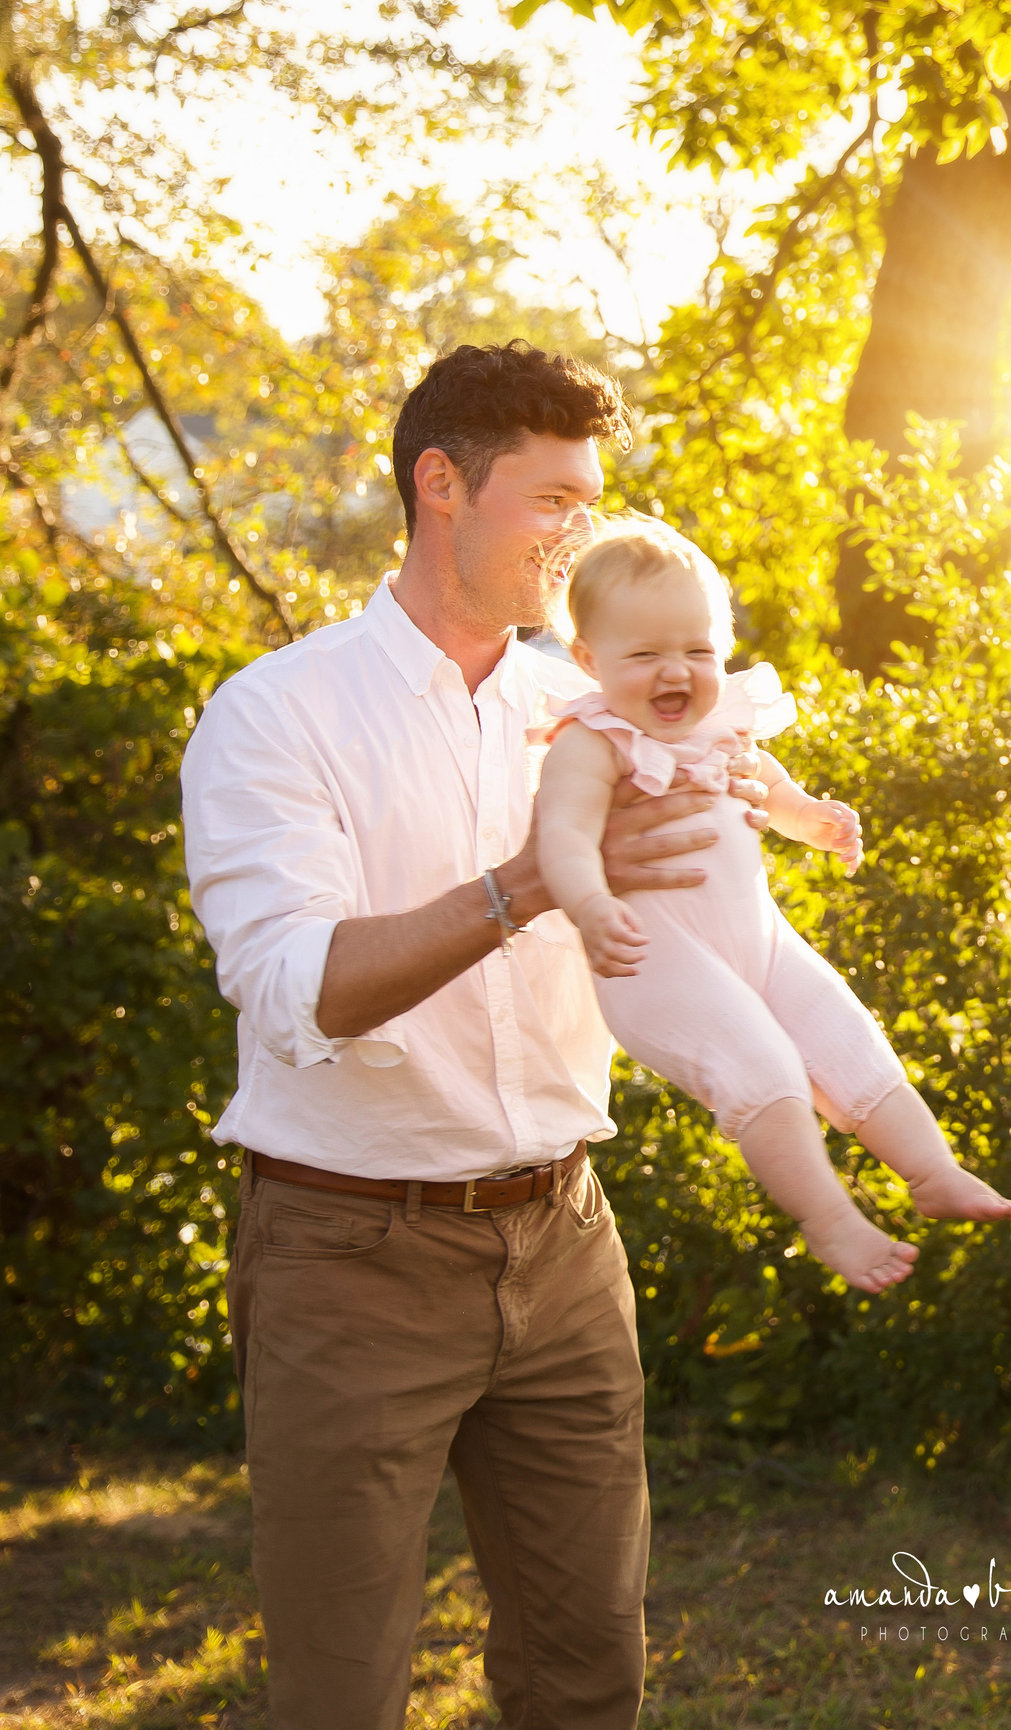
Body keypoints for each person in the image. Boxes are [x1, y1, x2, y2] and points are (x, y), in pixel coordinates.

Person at [182, 343, 747, 1727]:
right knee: (342, 1690)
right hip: (347, 1259)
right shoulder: (279, 713)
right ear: (443, 485)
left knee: (586, 1671)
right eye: (555, 499)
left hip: (564, 1241)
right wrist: (528, 882)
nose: (585, 535)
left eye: (594, 501)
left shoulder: (594, 702)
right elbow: (298, 983)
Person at [535, 517, 1011, 1294]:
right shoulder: (590, 744)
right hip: (653, 958)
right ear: (590, 661)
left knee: (846, 1034)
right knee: (764, 1071)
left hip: (757, 938)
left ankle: (932, 1171)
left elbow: (774, 793)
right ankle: (830, 1221)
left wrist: (814, 821)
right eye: (646, 655)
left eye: (696, 651)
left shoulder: (722, 725)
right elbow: (558, 835)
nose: (676, 673)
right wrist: (589, 903)